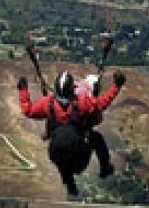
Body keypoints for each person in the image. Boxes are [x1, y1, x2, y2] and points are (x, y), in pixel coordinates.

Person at [18, 69, 126, 197]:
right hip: (79, 157)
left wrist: (23, 90)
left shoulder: (48, 103)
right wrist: (116, 86)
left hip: (56, 154)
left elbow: (28, 110)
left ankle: (69, 183)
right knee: (97, 138)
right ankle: (105, 168)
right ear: (72, 89)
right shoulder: (82, 102)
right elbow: (103, 103)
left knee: (60, 152)